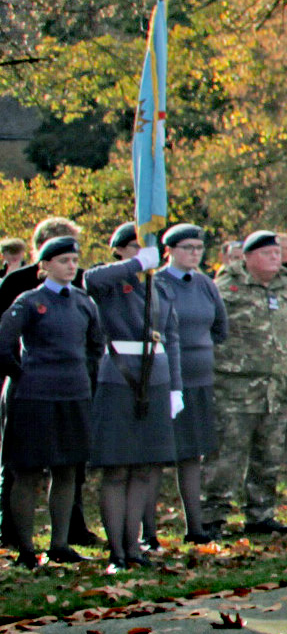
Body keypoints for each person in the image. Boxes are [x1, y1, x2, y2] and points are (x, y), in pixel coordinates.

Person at [89, 223, 188, 566]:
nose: (141, 253)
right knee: (117, 469)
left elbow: (171, 338)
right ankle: (117, 551)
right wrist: (134, 264)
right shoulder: (113, 283)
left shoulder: (159, 287)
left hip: (157, 379)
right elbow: (92, 280)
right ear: (118, 250)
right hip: (120, 378)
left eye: (146, 248)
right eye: (132, 247)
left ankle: (134, 546)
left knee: (145, 468)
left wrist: (175, 386)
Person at [0, 236, 101, 564]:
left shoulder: (84, 302)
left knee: (68, 469)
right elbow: (4, 344)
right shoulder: (29, 301)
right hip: (34, 398)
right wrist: (23, 375)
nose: (71, 266)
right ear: (44, 265)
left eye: (74, 260)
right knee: (26, 471)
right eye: (62, 261)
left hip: (73, 395)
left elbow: (95, 345)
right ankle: (26, 548)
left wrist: (82, 377)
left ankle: (59, 544)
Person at [207, 229, 287, 538]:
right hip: (235, 390)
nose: (275, 258)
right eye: (266, 253)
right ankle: (211, 517)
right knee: (226, 456)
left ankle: (261, 514)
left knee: (270, 455)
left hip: (278, 389)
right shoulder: (225, 288)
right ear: (247, 257)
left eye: (277, 253)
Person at [156, 232, 230, 545]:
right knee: (158, 455)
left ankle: (195, 525)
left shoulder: (204, 283)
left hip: (201, 380)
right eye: (187, 248)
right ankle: (148, 531)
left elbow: (220, 328)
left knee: (193, 454)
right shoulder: (158, 283)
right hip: (167, 379)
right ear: (168, 250)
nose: (194, 254)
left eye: (199, 248)